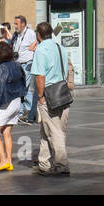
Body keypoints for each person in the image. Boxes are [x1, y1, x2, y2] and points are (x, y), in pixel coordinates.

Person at [32, 21, 70, 176]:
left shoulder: (41, 50)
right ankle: (44, 163)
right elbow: (66, 71)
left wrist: (40, 97)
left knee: (55, 132)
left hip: (49, 94)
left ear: (38, 34)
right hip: (62, 92)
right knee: (47, 130)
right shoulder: (60, 47)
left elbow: (40, 76)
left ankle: (62, 165)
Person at [0, 40, 25, 173]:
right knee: (6, 132)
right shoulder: (17, 65)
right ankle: (9, 161)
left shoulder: (1, 69)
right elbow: (23, 83)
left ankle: (3, 160)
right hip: (16, 102)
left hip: (6, 103)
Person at [11, 15, 39, 125]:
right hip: (19, 64)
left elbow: (38, 43)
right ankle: (32, 110)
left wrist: (33, 50)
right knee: (26, 90)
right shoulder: (17, 35)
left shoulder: (30, 33)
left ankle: (20, 112)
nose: (15, 26)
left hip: (27, 64)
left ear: (23, 24)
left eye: (16, 24)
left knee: (21, 87)